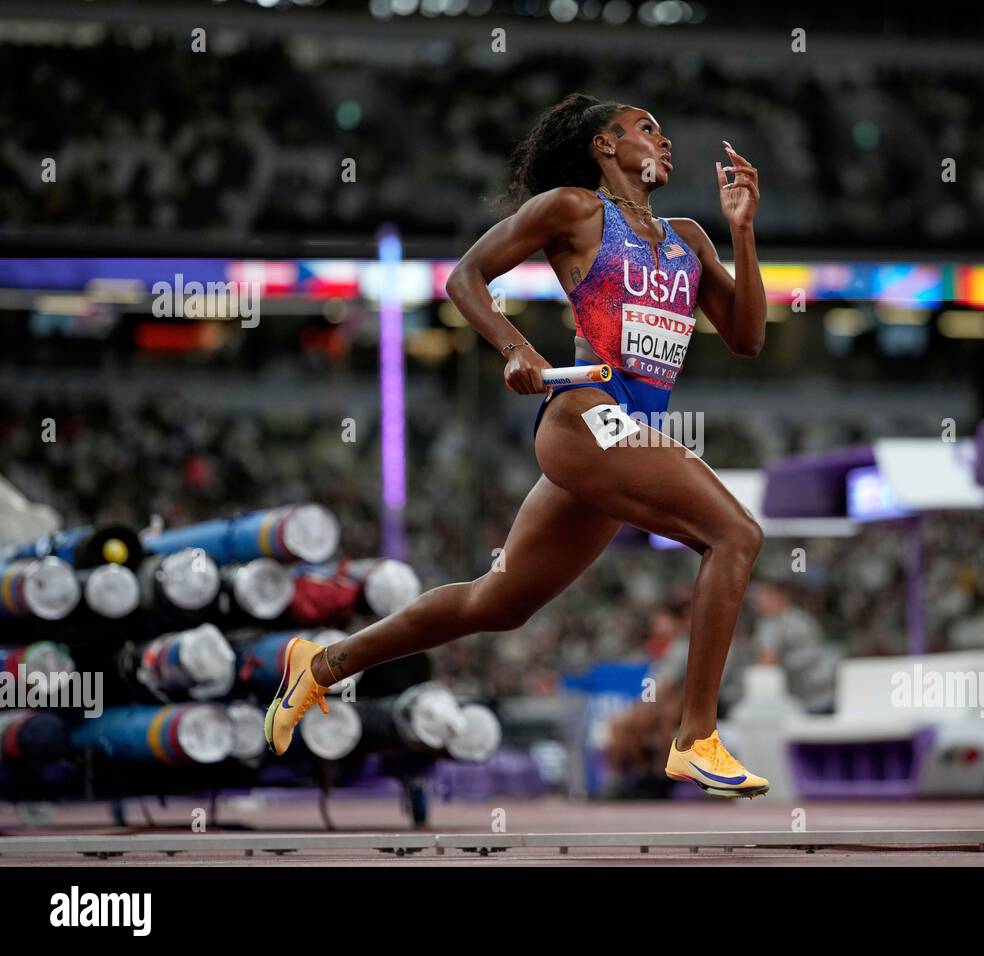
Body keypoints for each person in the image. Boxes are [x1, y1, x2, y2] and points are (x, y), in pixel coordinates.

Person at [264, 93, 772, 798]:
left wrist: (743, 231)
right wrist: (514, 347)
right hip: (585, 419)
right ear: (604, 145)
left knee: (497, 603)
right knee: (735, 534)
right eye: (646, 127)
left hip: (627, 435)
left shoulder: (690, 237)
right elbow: (464, 276)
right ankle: (696, 737)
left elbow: (747, 338)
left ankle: (318, 664)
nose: (666, 138)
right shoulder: (575, 209)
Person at [752, 581, 839, 714]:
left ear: (777, 597)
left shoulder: (795, 622)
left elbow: (767, 659)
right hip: (799, 696)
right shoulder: (771, 622)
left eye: (762, 597)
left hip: (815, 694)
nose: (758, 602)